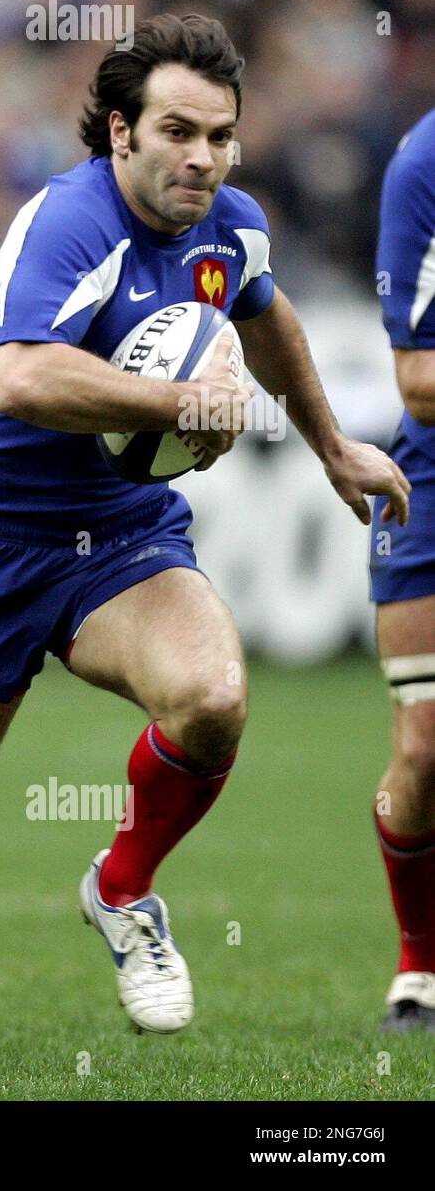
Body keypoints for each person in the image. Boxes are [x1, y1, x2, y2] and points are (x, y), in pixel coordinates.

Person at [0, 13, 410, 1097]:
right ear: (119, 131)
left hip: (119, 535)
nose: (201, 156)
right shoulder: (65, 223)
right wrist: (177, 399)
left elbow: (268, 314)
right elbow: (19, 378)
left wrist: (333, 443)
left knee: (210, 697)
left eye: (219, 135)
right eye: (175, 130)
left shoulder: (229, 226)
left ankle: (121, 887)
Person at [369, 106, 435, 1032]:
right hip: (431, 479)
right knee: (424, 747)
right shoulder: (421, 163)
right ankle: (420, 966)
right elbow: (418, 379)